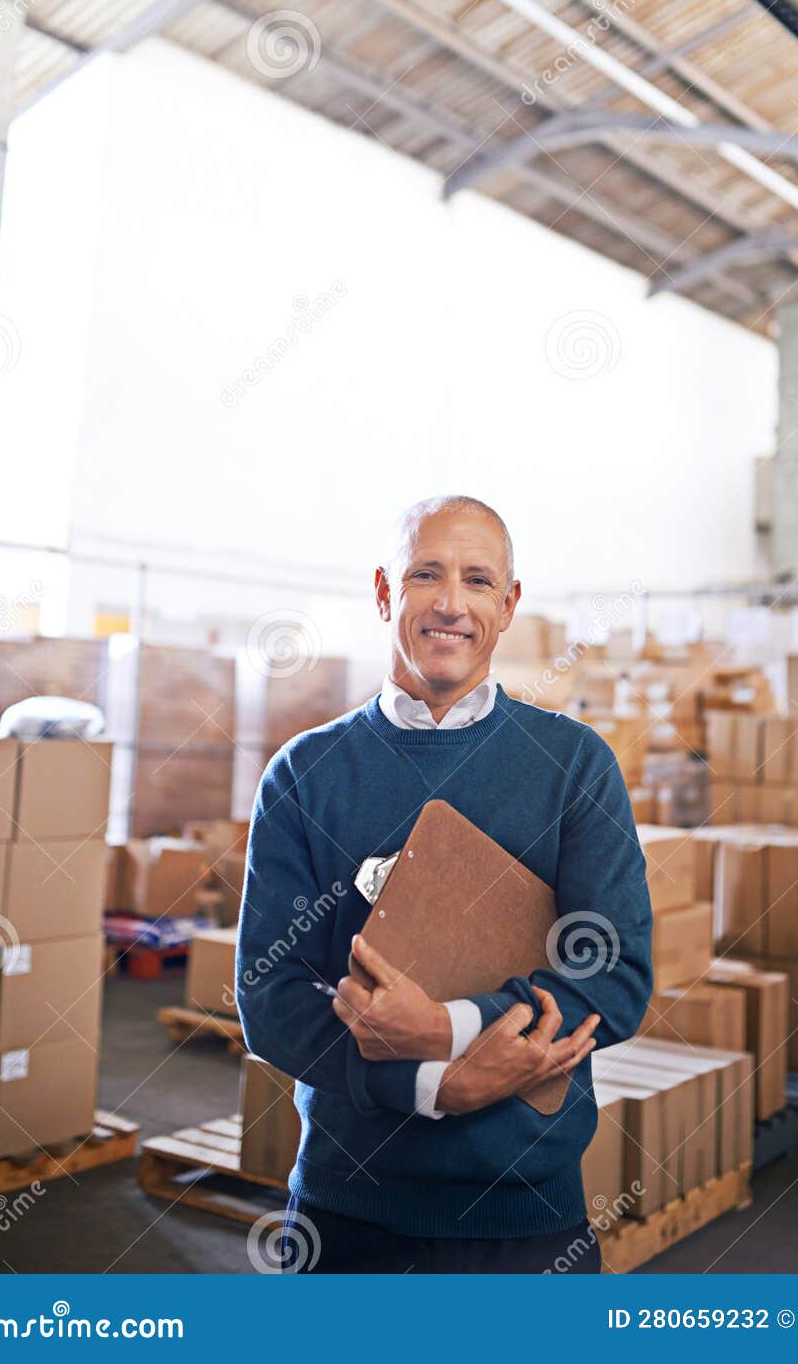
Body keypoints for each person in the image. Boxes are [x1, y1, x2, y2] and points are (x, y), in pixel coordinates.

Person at [235, 494, 653, 1273]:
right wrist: (435, 1086)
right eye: (425, 574)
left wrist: (446, 1027)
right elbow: (270, 1000)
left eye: (477, 580)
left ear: (509, 604)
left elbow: (614, 979)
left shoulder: (572, 766)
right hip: (345, 1213)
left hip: (525, 1217)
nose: (451, 604)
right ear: (384, 592)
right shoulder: (304, 773)